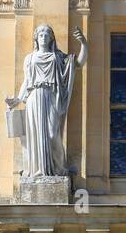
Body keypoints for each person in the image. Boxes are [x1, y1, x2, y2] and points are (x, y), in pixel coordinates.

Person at [6, 24, 87, 180]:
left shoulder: (58, 57)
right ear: (36, 37)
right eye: (41, 33)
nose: (43, 36)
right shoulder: (29, 58)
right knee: (34, 137)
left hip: (51, 96)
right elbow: (27, 81)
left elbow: (78, 63)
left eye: (47, 34)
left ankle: (58, 169)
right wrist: (17, 100)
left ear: (51, 38)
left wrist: (83, 43)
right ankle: (38, 171)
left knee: (51, 134)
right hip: (33, 98)